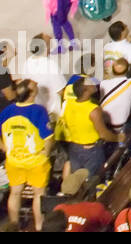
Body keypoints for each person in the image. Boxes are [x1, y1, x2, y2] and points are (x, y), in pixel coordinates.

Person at [1, 79, 53, 230]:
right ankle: (38, 226)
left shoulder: (7, 111)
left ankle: (14, 225)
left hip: (14, 160)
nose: (36, 85)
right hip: (36, 161)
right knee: (38, 194)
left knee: (15, 193)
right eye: (34, 86)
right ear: (31, 94)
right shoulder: (38, 111)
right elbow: (48, 137)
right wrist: (46, 153)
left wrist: (5, 148)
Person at [51, 167, 112, 232]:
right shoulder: (95, 208)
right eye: (85, 182)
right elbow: (110, 221)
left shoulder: (58, 210)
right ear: (82, 188)